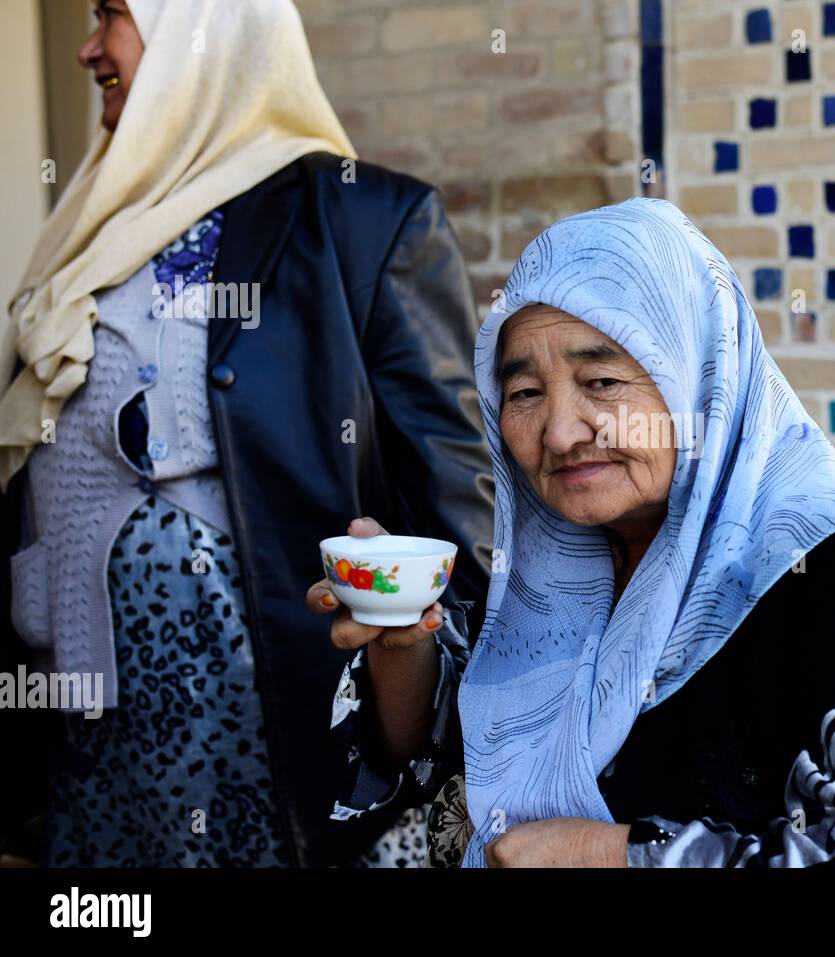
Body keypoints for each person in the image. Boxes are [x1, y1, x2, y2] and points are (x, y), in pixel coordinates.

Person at [309, 198, 835, 867]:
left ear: (701, 382)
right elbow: (431, 761)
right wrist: (401, 643)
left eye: (601, 380)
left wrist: (625, 853)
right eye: (524, 393)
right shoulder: (550, 573)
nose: (559, 431)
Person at [0, 0, 493, 868]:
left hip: (284, 753)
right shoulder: (90, 235)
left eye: (111, 14)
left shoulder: (362, 223)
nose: (87, 48)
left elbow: (459, 516)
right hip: (99, 752)